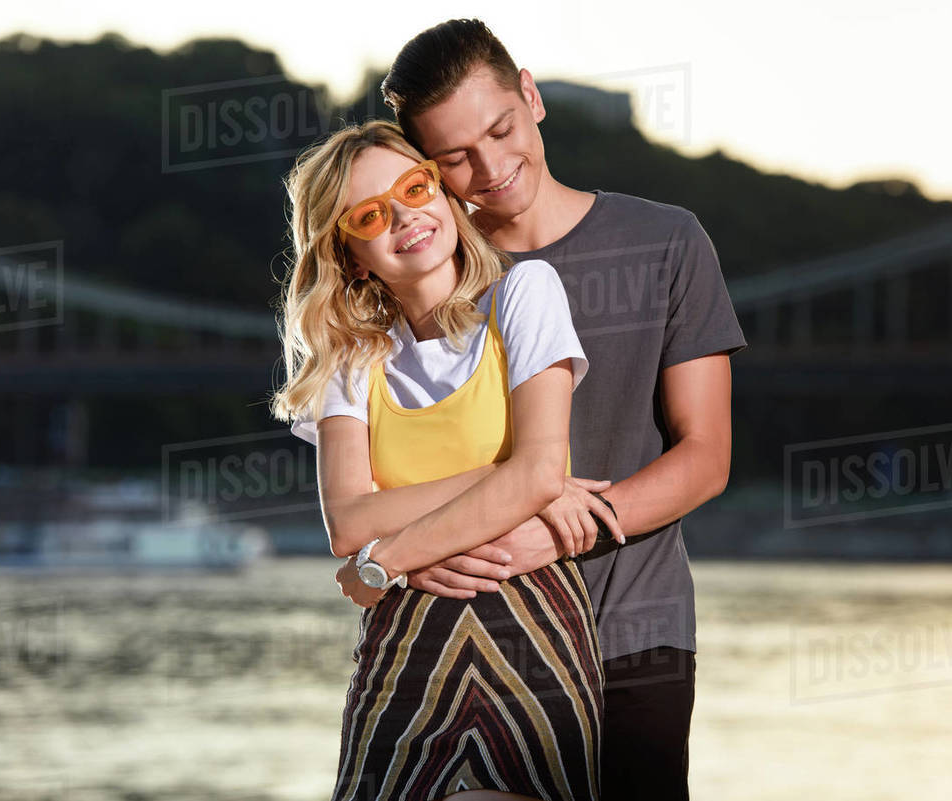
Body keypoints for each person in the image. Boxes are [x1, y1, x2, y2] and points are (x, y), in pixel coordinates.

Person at [338, 18, 749, 801]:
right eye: (455, 156)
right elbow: (381, 473)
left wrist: (550, 532)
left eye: (501, 130)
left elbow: (706, 456)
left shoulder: (667, 242)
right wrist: (414, 551)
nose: (491, 168)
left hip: (635, 628)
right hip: (465, 626)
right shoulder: (421, 268)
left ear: (530, 95)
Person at [272, 119, 624, 801]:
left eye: (415, 187)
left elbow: (375, 544)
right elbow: (348, 523)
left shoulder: (525, 293)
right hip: (405, 637)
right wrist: (511, 478)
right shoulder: (350, 358)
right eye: (371, 214)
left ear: (443, 191)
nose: (405, 216)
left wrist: (389, 559)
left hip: (531, 624)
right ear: (352, 256)